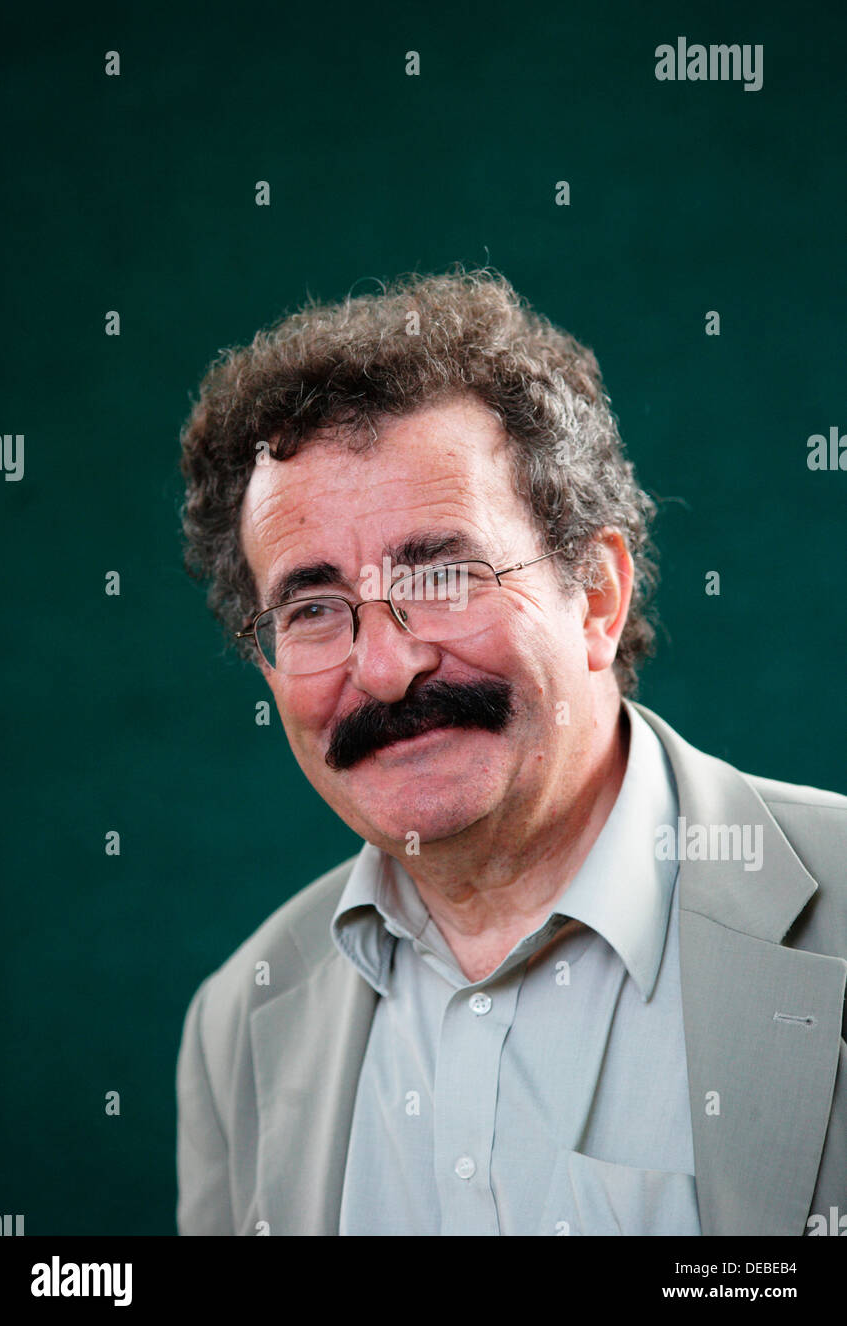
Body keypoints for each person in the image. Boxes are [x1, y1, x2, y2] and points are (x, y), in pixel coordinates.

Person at [175, 266, 846, 1236]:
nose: (386, 666)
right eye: (313, 608)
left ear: (598, 597)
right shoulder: (236, 1024)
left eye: (444, 573)